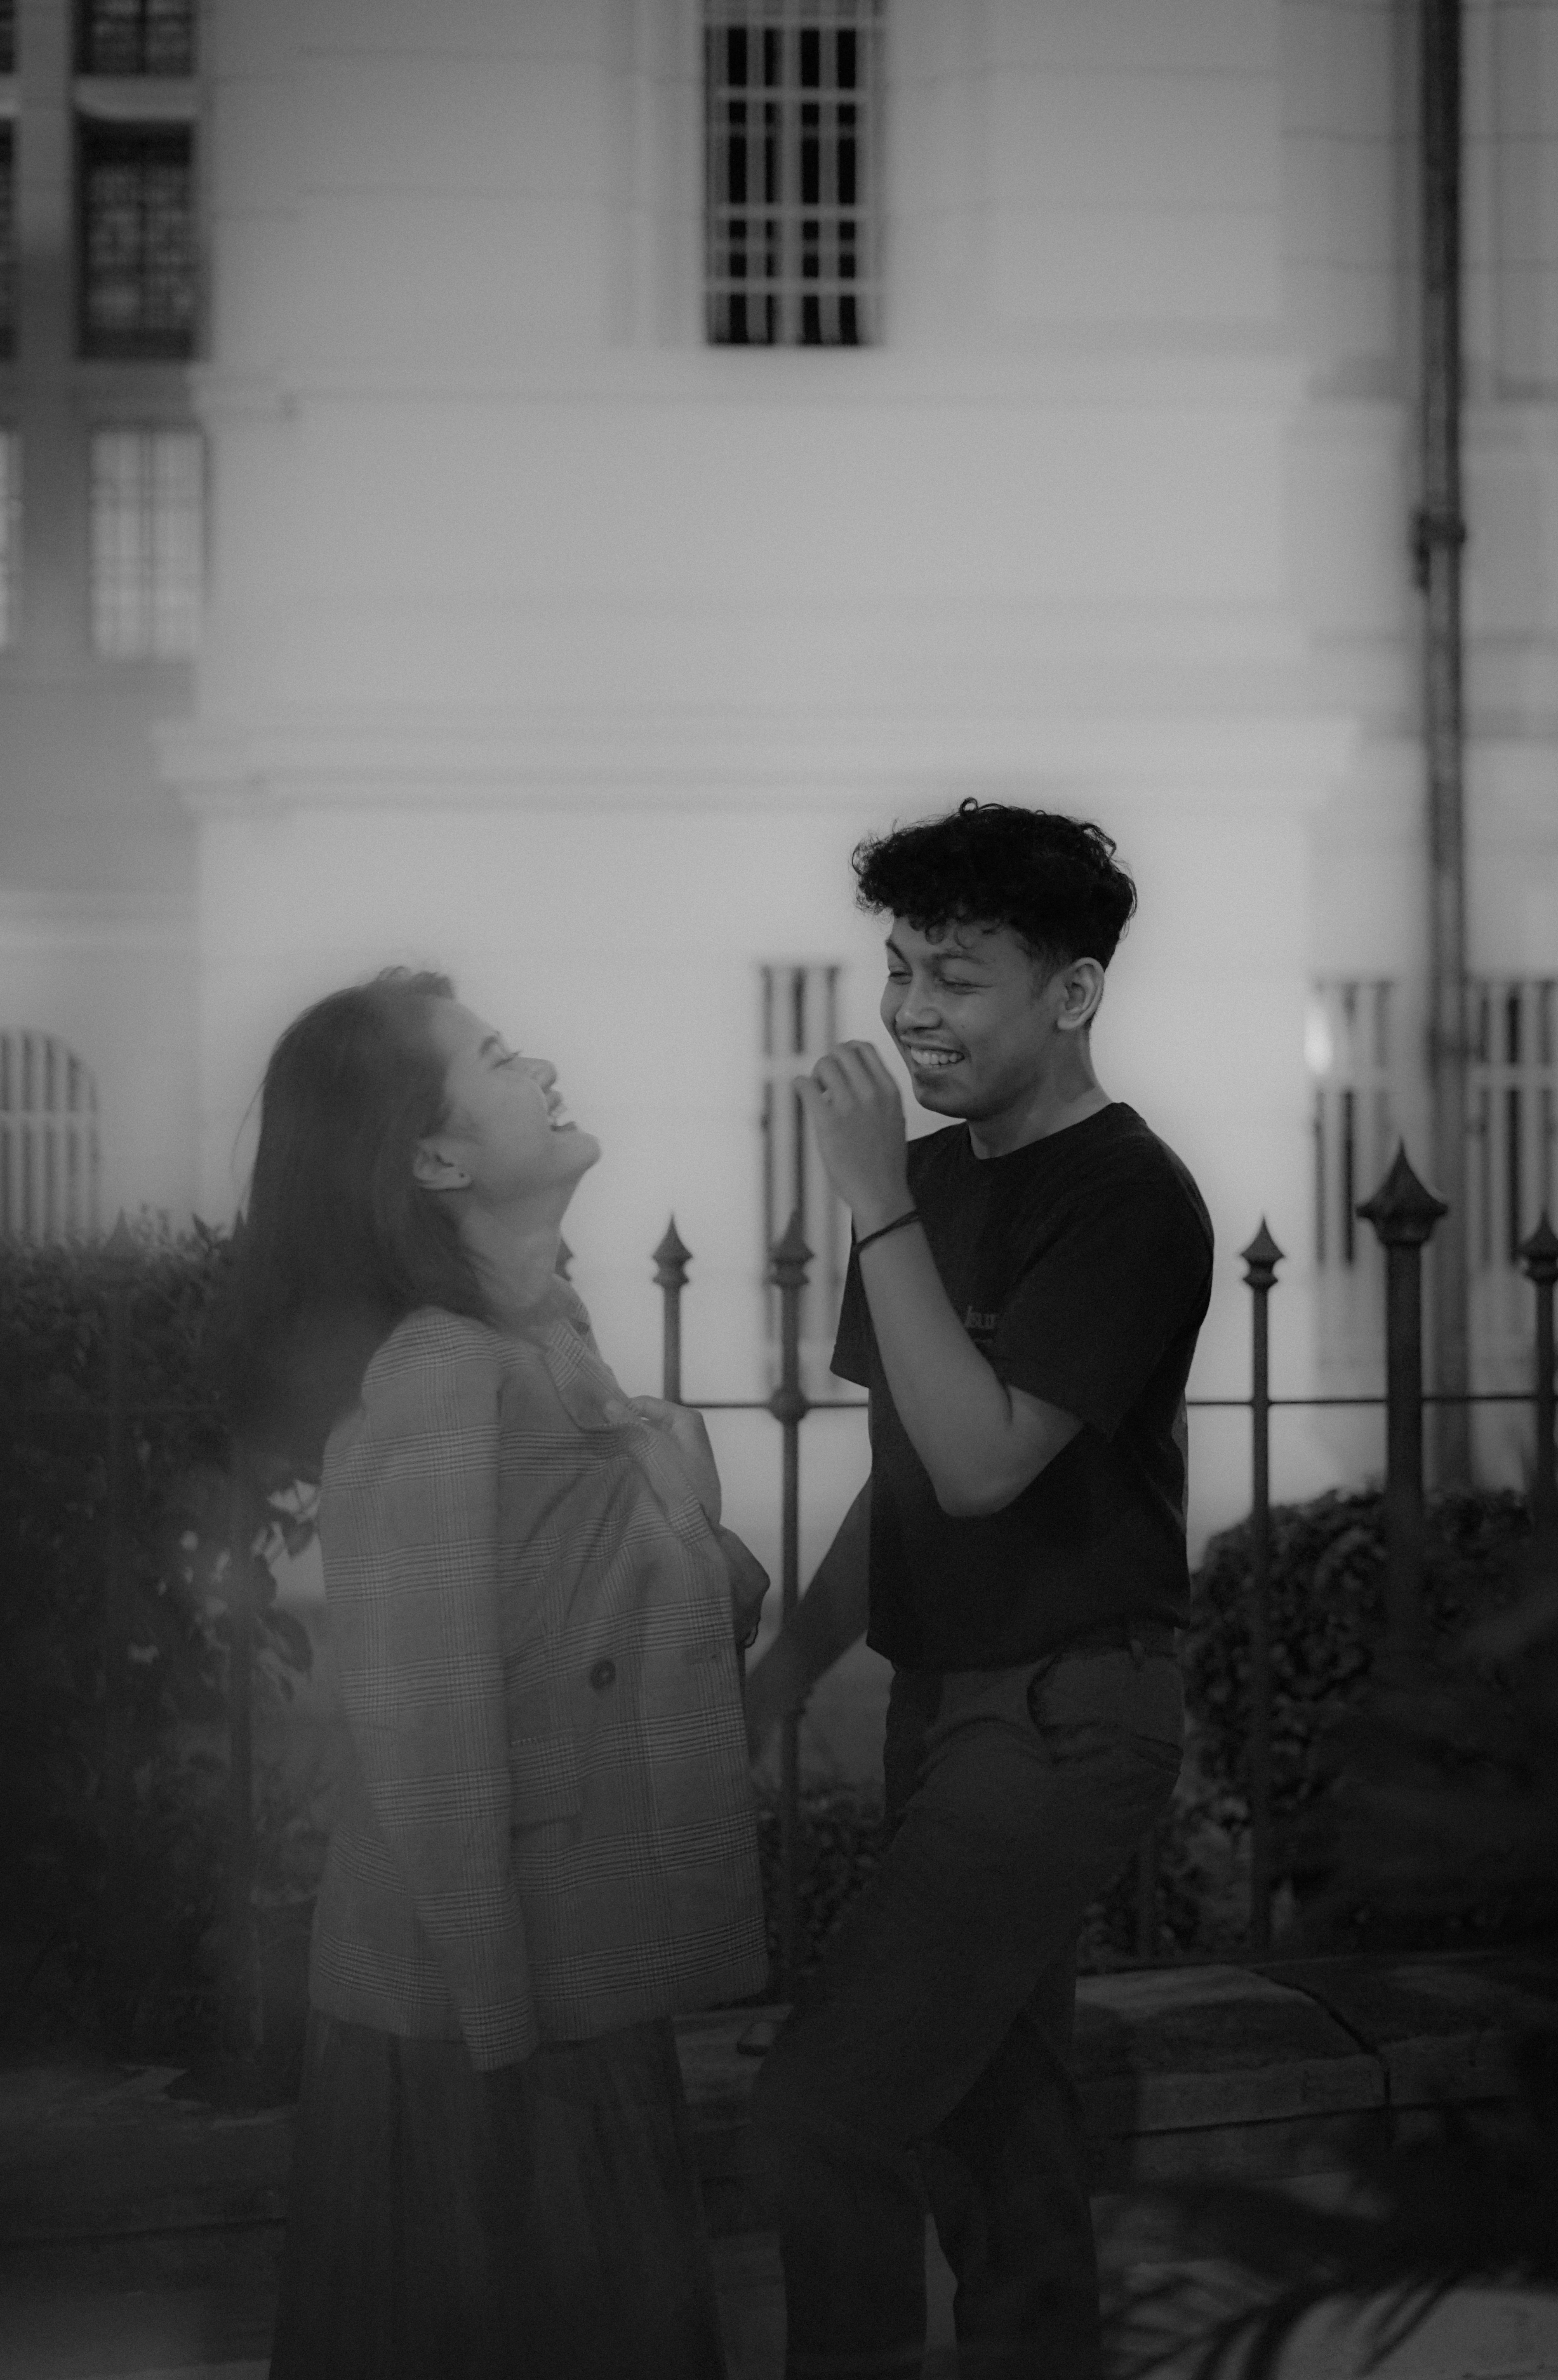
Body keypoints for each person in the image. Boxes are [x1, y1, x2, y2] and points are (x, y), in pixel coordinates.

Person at [225, 968, 769, 2380]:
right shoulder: (439, 1378)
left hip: (567, 1977)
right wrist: (494, 2041)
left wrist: (684, 1523)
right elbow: (424, 1730)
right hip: (479, 2014)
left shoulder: (554, 1346)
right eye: (499, 1057)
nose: (542, 1070)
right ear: (438, 1157)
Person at [745, 801, 1214, 2380]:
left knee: (825, 2109)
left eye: (957, 976)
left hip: (1072, 1710)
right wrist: (788, 1667)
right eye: (898, 970)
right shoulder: (932, 1183)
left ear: (1071, 993)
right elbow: (897, 1473)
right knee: (997, 2142)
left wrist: (875, 1199)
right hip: (949, 1699)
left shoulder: (1133, 1199)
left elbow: (986, 1462)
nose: (911, 1013)